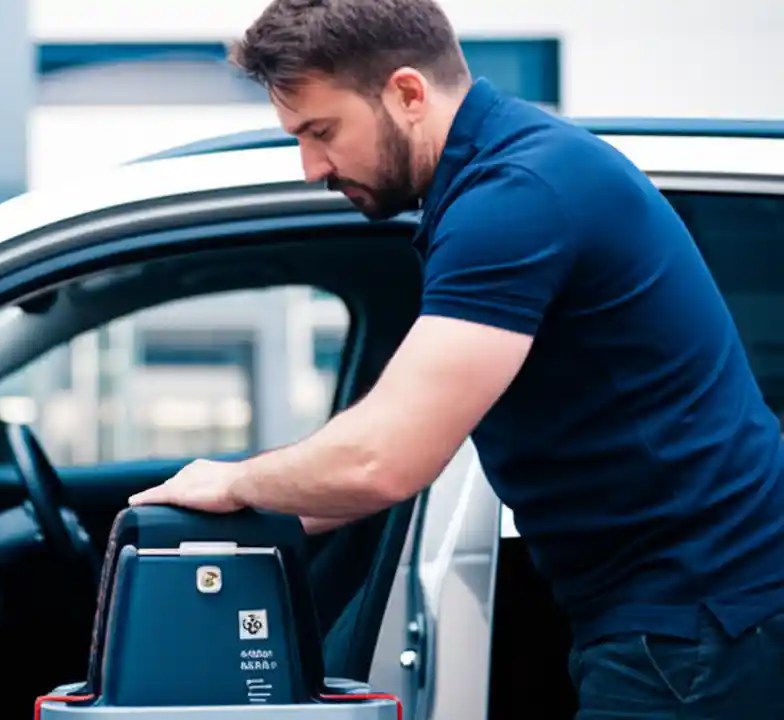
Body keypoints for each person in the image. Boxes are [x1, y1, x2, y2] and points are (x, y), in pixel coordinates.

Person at [126, 0, 784, 716]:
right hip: (684, 614)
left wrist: (232, 484)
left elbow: (384, 459)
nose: (312, 166)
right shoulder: (501, 178)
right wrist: (234, 519)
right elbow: (374, 452)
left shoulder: (515, 198)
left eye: (322, 131)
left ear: (408, 92)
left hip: (700, 624)